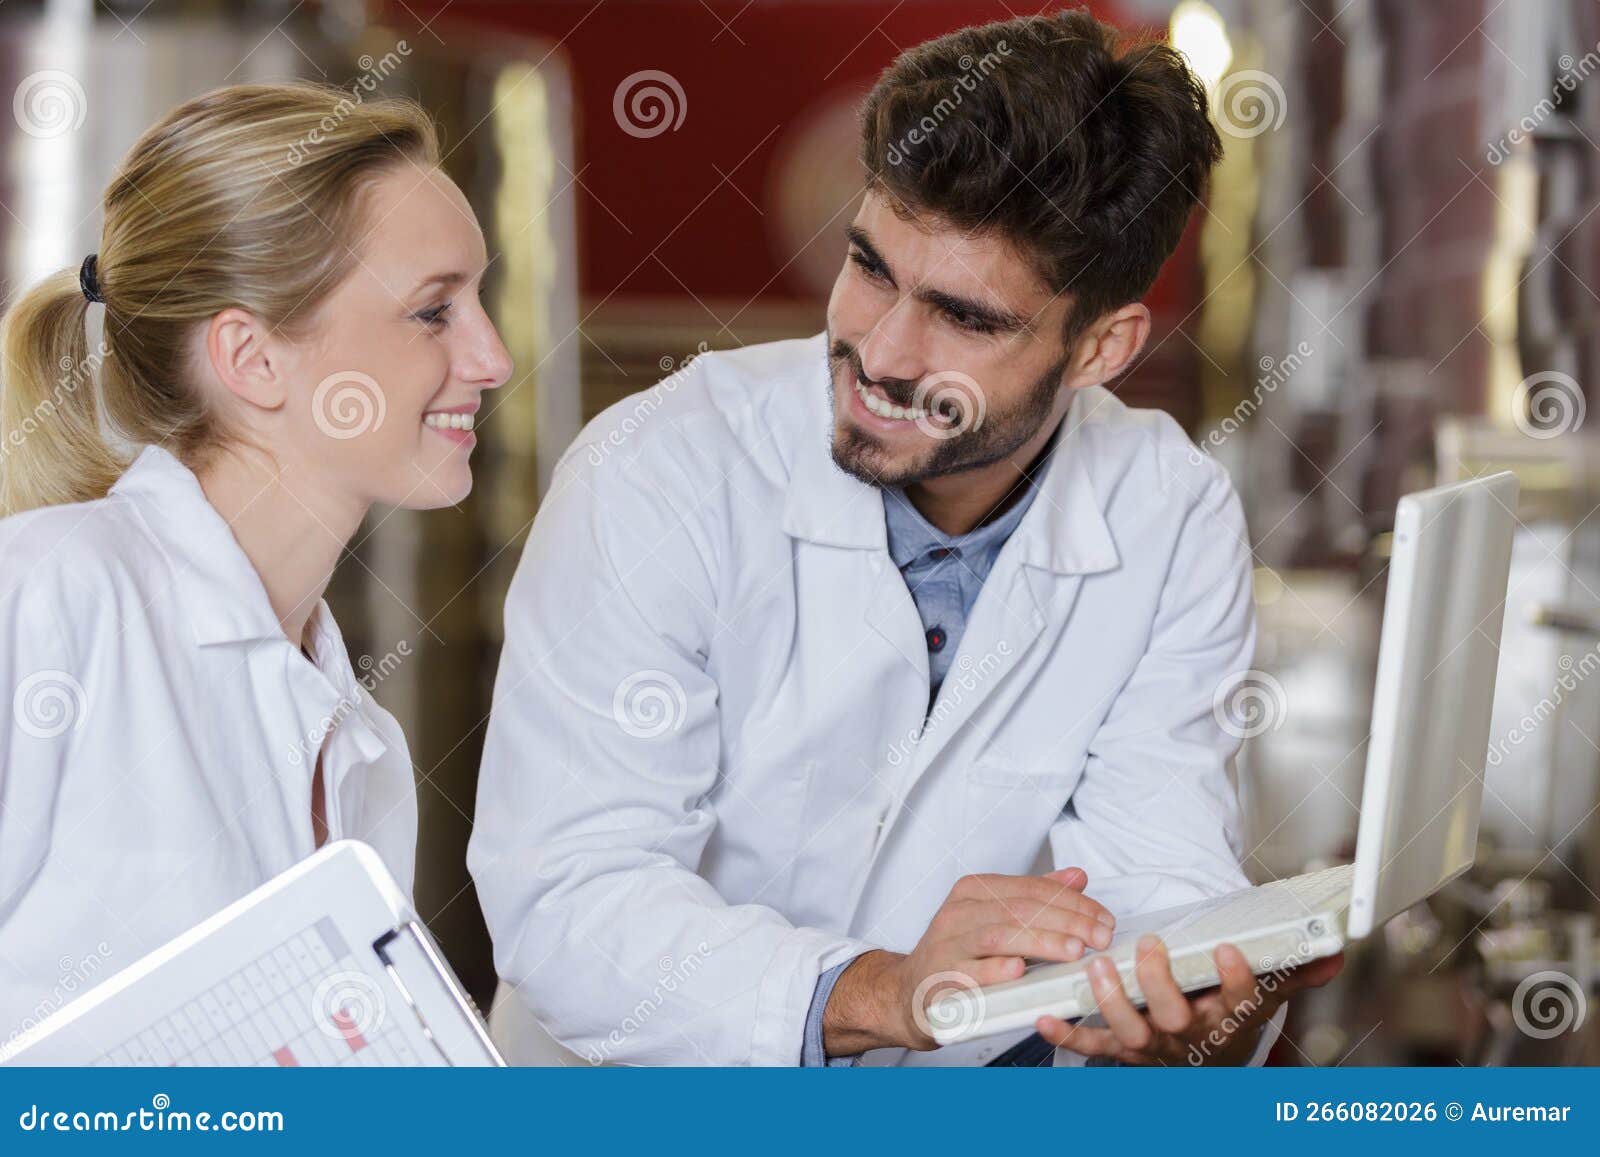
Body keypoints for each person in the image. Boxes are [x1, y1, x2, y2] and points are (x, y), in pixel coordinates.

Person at [469, 10, 1340, 1067]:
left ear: (1099, 348)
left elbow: (1158, 867)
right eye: (870, 265)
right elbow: (569, 894)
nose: (880, 351)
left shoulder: (1167, 508)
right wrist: (882, 988)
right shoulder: (660, 466)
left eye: (964, 319)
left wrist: (1183, 1008)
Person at [0, 81, 512, 1045]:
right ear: (253, 358)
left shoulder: (357, 736)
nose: (494, 357)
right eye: (434, 311)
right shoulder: (47, 596)